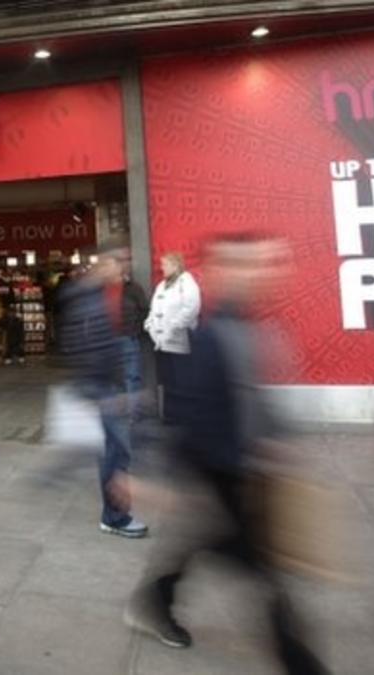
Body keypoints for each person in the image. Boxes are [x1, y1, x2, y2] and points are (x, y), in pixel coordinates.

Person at [123, 233, 328, 674]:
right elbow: (186, 413)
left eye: (269, 263)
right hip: (221, 472)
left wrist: (277, 444)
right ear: (222, 272)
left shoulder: (255, 327)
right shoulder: (212, 336)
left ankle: (155, 599)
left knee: (207, 544)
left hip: (241, 472)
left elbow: (256, 399)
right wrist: (167, 481)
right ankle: (298, 661)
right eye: (249, 264)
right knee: (263, 572)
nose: (263, 273)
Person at [57, 250, 148, 539]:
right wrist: (102, 390)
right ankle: (115, 517)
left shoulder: (95, 294)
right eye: (117, 261)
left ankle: (114, 513)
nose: (122, 267)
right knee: (116, 452)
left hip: (107, 387)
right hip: (101, 389)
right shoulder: (89, 297)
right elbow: (86, 345)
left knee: (113, 451)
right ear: (104, 264)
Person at [144, 252, 201, 426]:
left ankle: (185, 416)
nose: (162, 268)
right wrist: (149, 323)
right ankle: (171, 416)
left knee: (182, 380)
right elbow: (154, 309)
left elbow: (191, 308)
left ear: (176, 265)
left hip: (180, 340)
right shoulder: (162, 285)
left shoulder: (187, 282)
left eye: (165, 264)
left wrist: (174, 326)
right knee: (167, 381)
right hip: (162, 343)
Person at [104, 248, 149, 415]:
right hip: (107, 341)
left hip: (127, 338)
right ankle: (115, 411)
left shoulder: (133, 288)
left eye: (109, 265)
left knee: (132, 376)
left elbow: (144, 310)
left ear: (118, 268)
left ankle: (133, 413)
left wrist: (134, 330)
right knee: (112, 377)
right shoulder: (102, 289)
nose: (106, 269)